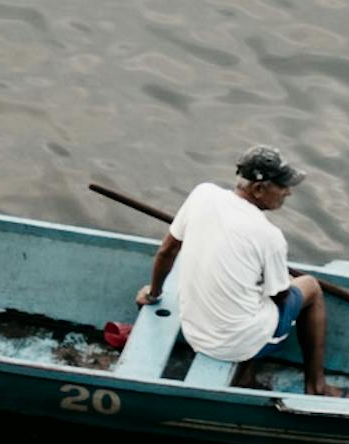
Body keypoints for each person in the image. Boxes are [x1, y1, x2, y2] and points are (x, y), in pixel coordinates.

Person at [136, 146, 336, 395]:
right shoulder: (269, 236)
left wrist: (153, 293)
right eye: (282, 185)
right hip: (234, 343)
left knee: (247, 291)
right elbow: (281, 296)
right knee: (311, 288)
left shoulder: (203, 194)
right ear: (259, 189)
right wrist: (278, 279)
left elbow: (167, 251)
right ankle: (316, 385)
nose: (289, 192)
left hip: (195, 333)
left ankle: (245, 373)